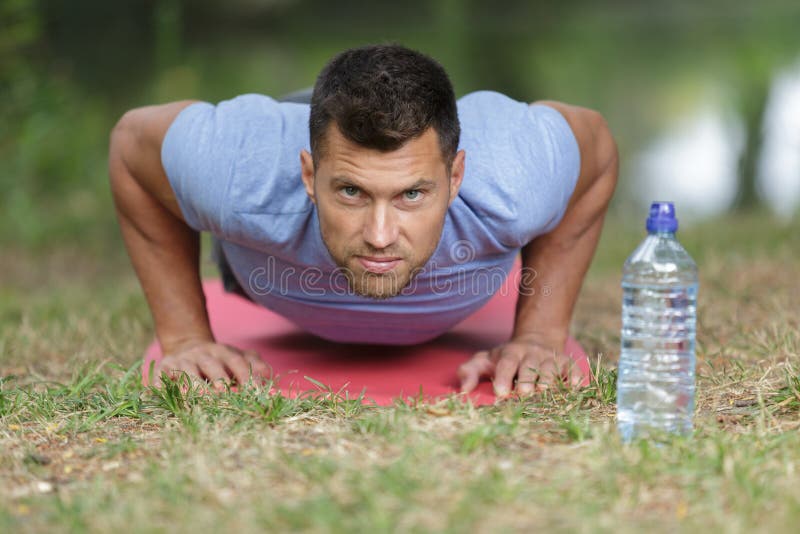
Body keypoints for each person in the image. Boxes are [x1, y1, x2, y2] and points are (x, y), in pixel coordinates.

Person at [109, 44, 618, 397]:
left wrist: (541, 335)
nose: (379, 237)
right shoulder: (241, 174)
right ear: (308, 175)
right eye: (351, 192)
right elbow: (132, 145)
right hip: (280, 156)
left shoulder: (513, 177)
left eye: (412, 195)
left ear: (457, 175)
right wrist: (184, 339)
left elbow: (596, 148)